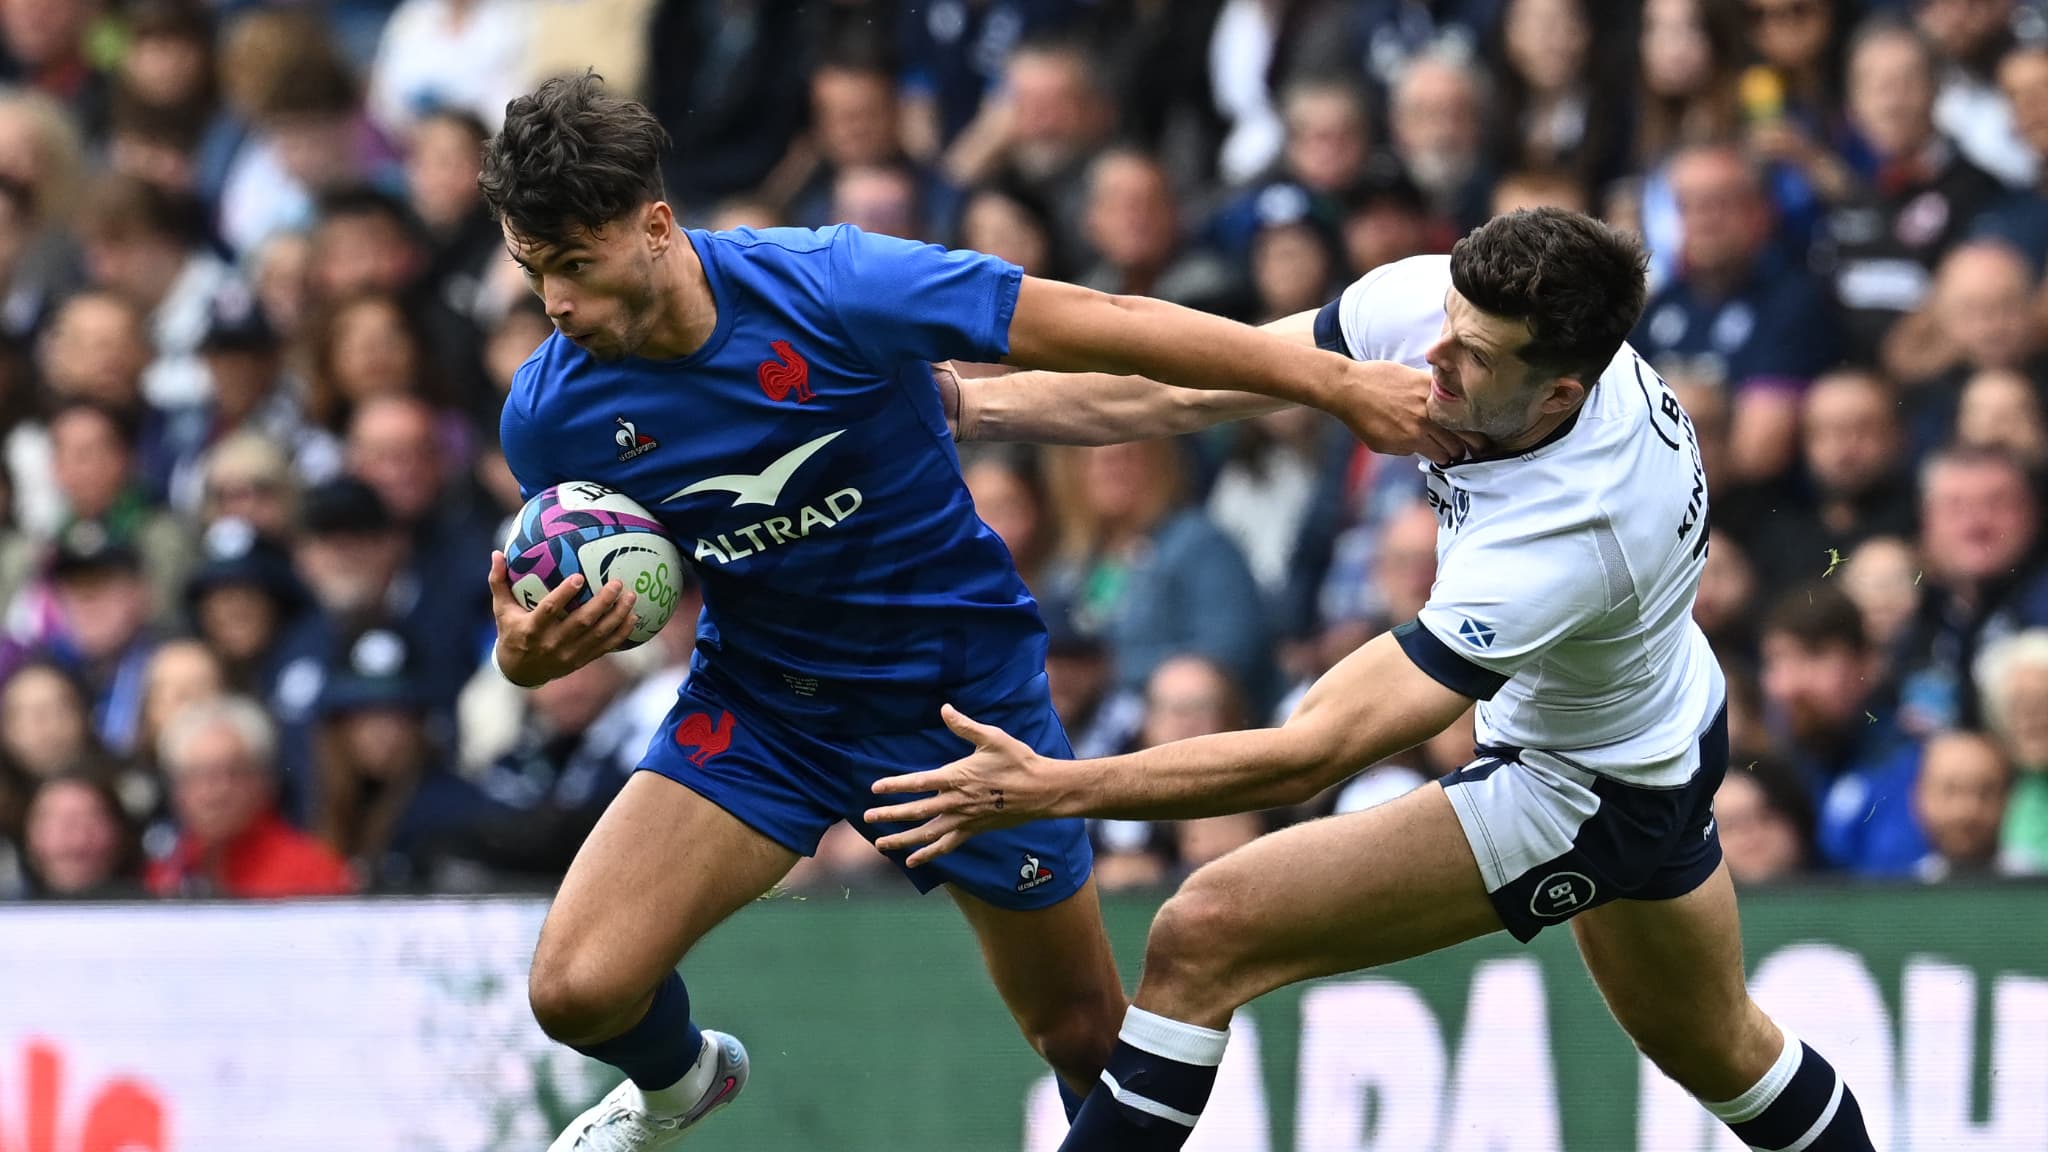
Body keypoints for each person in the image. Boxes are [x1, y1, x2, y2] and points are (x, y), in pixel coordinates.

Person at [477, 73, 1461, 1152]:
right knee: (575, 989)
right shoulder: (551, 414)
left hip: (959, 709)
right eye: (533, 271)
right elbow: (578, 585)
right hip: (766, 709)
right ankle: (682, 1083)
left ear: (656, 227)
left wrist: (1330, 382)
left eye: (575, 264)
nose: (555, 302)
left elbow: (1109, 324)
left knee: (1080, 1035)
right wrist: (528, 657)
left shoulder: (836, 285)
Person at [873, 209, 1877, 1152]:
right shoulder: (1451, 309)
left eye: (1471, 357)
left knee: (1204, 932)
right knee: (1725, 1049)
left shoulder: (1576, 533)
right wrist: (966, 405)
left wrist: (1052, 788)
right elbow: (1194, 386)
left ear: (1558, 396)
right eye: (1446, 323)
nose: (1432, 357)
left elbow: (1309, 754)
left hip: (1580, 787)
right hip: (1665, 709)